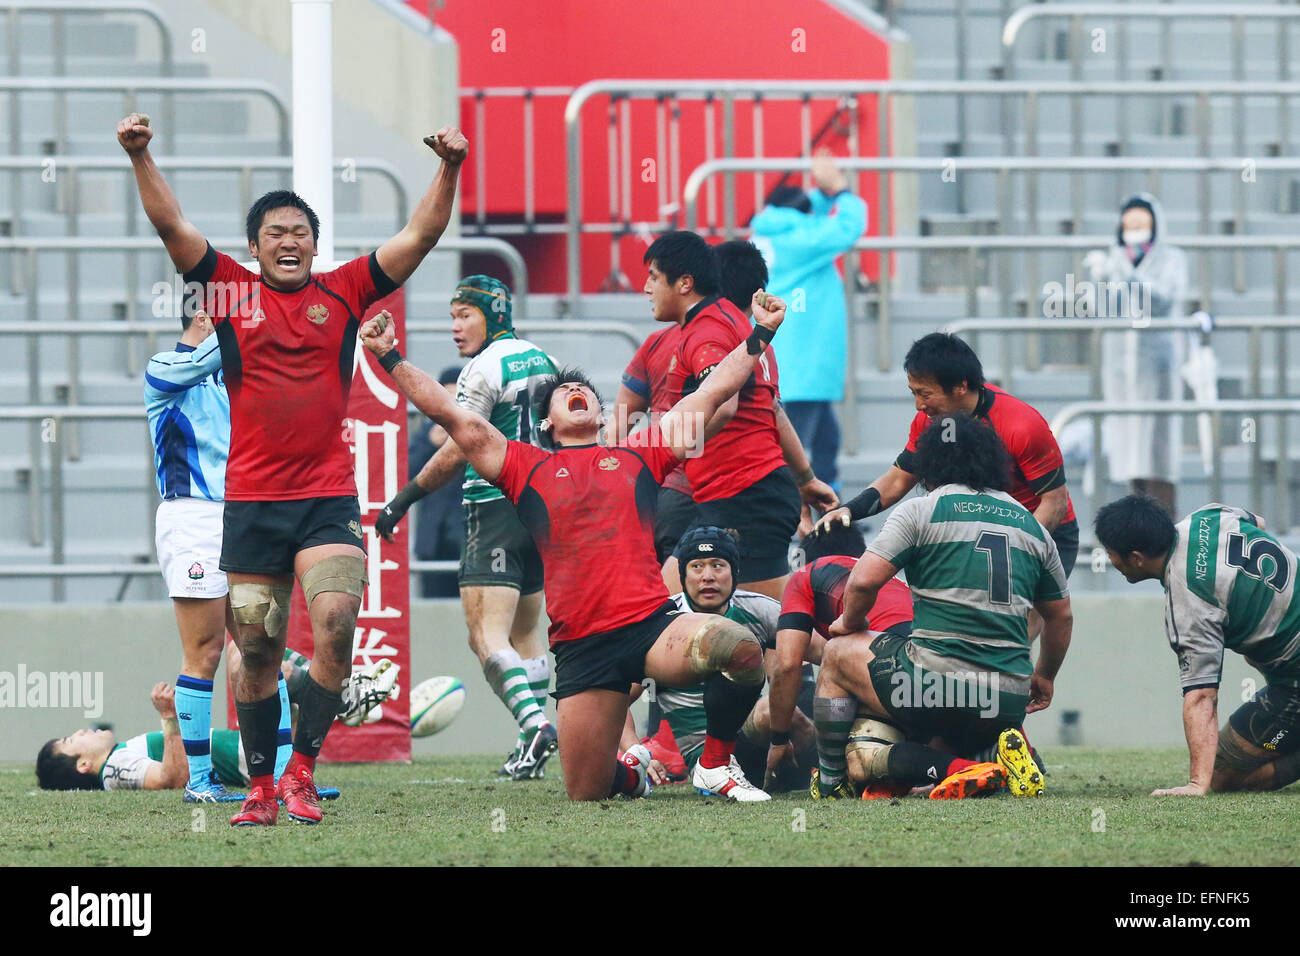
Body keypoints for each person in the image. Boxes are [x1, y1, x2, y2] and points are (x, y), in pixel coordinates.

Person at [119, 110, 468, 826]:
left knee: (336, 622)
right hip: (250, 502)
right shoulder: (228, 293)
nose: (289, 241)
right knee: (257, 647)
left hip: (326, 497)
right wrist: (140, 155)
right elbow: (171, 227)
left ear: (316, 244)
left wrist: (450, 168)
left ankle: (302, 771)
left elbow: (421, 236)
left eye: (300, 232)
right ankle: (258, 785)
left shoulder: (343, 290)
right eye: (275, 232)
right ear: (254, 247)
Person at [360, 289, 791, 802]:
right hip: (582, 649)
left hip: (651, 630)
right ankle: (636, 775)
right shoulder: (525, 467)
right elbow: (456, 419)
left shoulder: (639, 453)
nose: (574, 390)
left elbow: (709, 394)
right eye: (563, 391)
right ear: (548, 423)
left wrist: (759, 334)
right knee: (589, 791)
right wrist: (389, 356)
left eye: (583, 388)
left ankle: (715, 766)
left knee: (739, 647)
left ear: (600, 411)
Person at [809, 413, 1073, 800]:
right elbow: (1061, 616)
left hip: (932, 690)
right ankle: (994, 753)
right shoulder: (1031, 526)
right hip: (1006, 701)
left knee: (837, 656)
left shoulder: (921, 511)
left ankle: (833, 780)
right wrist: (1044, 676)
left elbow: (863, 580)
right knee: (949, 728)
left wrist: (851, 622)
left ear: (929, 465)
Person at [374, 279, 559, 781]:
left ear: (492, 315)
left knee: (484, 635)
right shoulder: (544, 359)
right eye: (452, 315)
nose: (455, 327)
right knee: (526, 634)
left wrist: (404, 498)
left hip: (493, 505)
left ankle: (536, 724)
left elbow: (462, 446)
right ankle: (528, 748)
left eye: (464, 315)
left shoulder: (483, 367)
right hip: (540, 506)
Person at [818, 332, 1080, 593]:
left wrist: (1017, 548)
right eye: (914, 394)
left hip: (1042, 530)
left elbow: (1054, 503)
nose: (919, 405)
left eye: (925, 394)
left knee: (1027, 621)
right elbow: (899, 479)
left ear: (960, 387)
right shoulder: (931, 421)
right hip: (977, 532)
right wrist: (849, 510)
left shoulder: (1022, 425)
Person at [1095, 495, 1300, 796]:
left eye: (1111, 553)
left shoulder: (1188, 601)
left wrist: (1197, 783)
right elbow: (1258, 523)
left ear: (1137, 557)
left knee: (1222, 775)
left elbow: (1203, 696)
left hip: (1293, 679)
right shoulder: (1210, 516)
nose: (1110, 561)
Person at [646, 231, 804, 602]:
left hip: (745, 496)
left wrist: (662, 453)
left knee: (776, 630)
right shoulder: (731, 320)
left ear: (685, 283)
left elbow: (723, 403)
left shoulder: (708, 331)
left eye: (654, 277)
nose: (646, 288)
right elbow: (770, 409)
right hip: (734, 494)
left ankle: (851, 656)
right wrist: (806, 478)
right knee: (665, 611)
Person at [616, 526, 814, 793]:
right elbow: (614, 697)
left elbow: (824, 650)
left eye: (718, 565)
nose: (707, 577)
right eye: (697, 567)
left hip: (751, 737)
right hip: (699, 752)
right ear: (683, 576)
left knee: (782, 710)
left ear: (735, 573)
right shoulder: (660, 622)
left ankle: (823, 773)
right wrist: (634, 750)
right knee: (769, 708)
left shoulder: (760, 609)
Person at [144, 306, 250, 803]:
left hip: (243, 515)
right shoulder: (164, 367)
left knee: (259, 649)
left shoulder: (237, 381)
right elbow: (205, 361)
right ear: (208, 315)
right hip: (192, 517)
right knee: (204, 652)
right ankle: (201, 782)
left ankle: (287, 776)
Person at [750, 151, 867, 492]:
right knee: (797, 452)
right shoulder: (802, 240)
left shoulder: (769, 232)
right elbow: (847, 227)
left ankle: (830, 514)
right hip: (805, 366)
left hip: (792, 364)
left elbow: (805, 215)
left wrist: (822, 192)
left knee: (826, 442)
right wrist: (841, 191)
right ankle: (793, 520)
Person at [765, 522, 913, 792]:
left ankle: (831, 782)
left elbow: (786, 666)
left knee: (859, 762)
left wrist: (778, 739)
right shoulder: (896, 580)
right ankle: (969, 764)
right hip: (938, 682)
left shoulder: (807, 574)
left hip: (895, 678)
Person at [1084, 194, 1189, 516]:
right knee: (1128, 451)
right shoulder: (1112, 260)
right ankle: (1135, 536)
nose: (1135, 227)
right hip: (1120, 367)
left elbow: (1162, 300)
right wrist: (1099, 280)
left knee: (1158, 453)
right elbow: (1098, 310)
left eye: (1142, 222)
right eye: (1129, 222)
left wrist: (1127, 274)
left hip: (1157, 365)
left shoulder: (1171, 259)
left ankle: (1165, 534)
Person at [407, 367, 466, 599]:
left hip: (470, 542)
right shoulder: (427, 432)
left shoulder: (480, 431)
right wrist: (431, 444)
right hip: (433, 543)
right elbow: (404, 474)